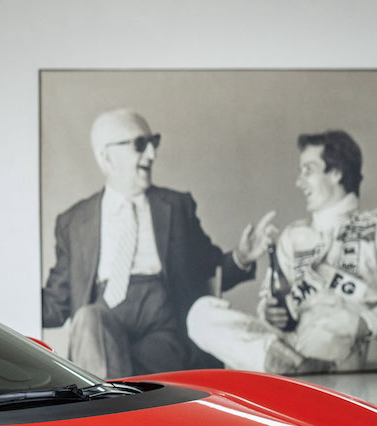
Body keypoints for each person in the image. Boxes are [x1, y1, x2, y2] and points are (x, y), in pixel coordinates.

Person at [42, 108, 271, 378]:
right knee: (87, 319)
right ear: (106, 157)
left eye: (154, 142)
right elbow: (57, 303)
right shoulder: (73, 222)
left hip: (164, 327)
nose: (152, 154)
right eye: (140, 144)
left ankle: (110, 400)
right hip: (102, 325)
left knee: (119, 374)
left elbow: (208, 271)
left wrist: (242, 256)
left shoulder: (176, 207)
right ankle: (114, 399)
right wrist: (5, 299)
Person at [188, 130, 377, 373]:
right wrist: (270, 313)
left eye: (308, 171)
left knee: (321, 334)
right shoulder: (293, 235)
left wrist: (360, 324)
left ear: (336, 173)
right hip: (289, 345)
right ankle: (296, 368)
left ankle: (293, 372)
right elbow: (269, 305)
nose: (299, 182)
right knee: (200, 315)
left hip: (339, 344)